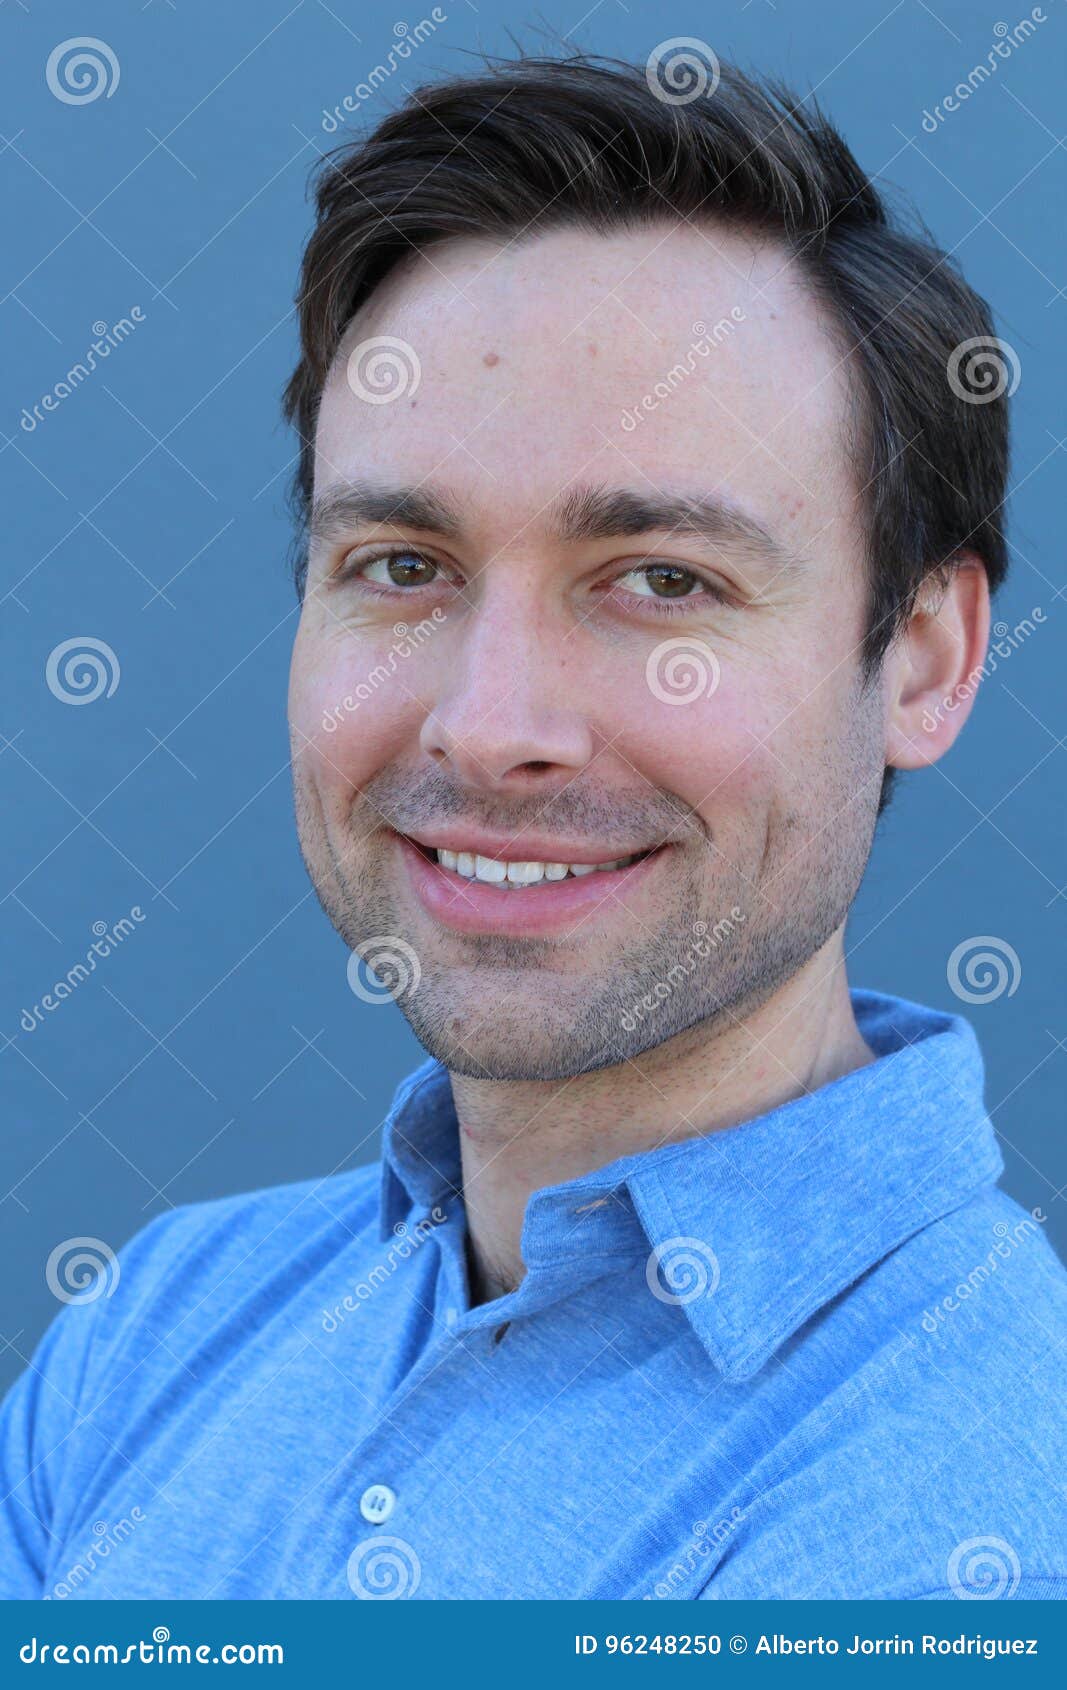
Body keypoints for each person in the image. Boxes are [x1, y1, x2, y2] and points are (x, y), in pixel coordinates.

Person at [2, 52, 1064, 1602]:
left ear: (924, 657)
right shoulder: (154, 1331)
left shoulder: (977, 1523)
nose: (492, 723)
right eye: (402, 563)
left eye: (662, 580)